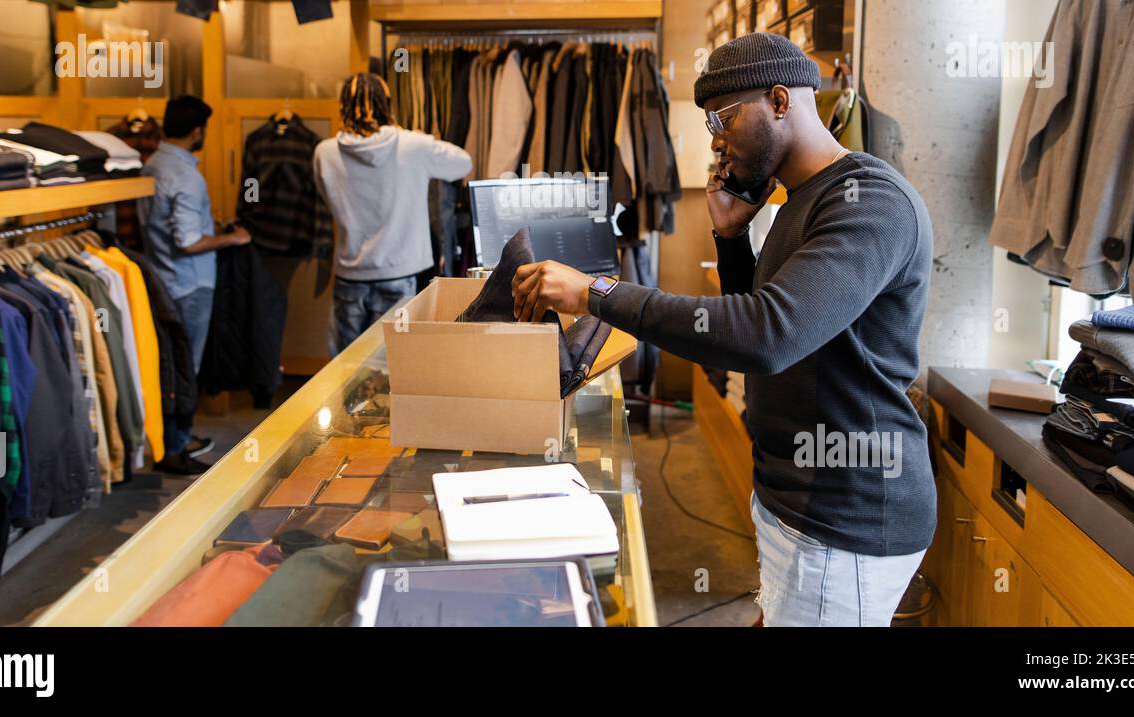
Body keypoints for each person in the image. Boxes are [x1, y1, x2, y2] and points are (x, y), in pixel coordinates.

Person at [511, 33, 936, 627]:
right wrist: (733, 239)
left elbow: (769, 335)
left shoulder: (869, 204)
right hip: (796, 494)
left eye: (723, 117)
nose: (715, 137)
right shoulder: (800, 200)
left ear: (781, 101)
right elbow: (756, 335)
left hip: (846, 512)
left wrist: (594, 292)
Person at [314, 73, 472, 353]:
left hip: (349, 274)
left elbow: (329, 198)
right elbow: (464, 162)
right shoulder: (413, 145)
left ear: (343, 107)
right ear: (387, 104)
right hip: (400, 273)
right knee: (392, 368)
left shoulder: (324, 153)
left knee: (344, 370)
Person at [139, 94, 251, 474]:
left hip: (161, 278)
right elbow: (187, 242)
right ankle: (174, 447)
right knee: (186, 368)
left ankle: (177, 438)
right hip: (189, 285)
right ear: (197, 130)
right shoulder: (185, 175)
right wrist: (230, 239)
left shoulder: (151, 165)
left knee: (170, 365)